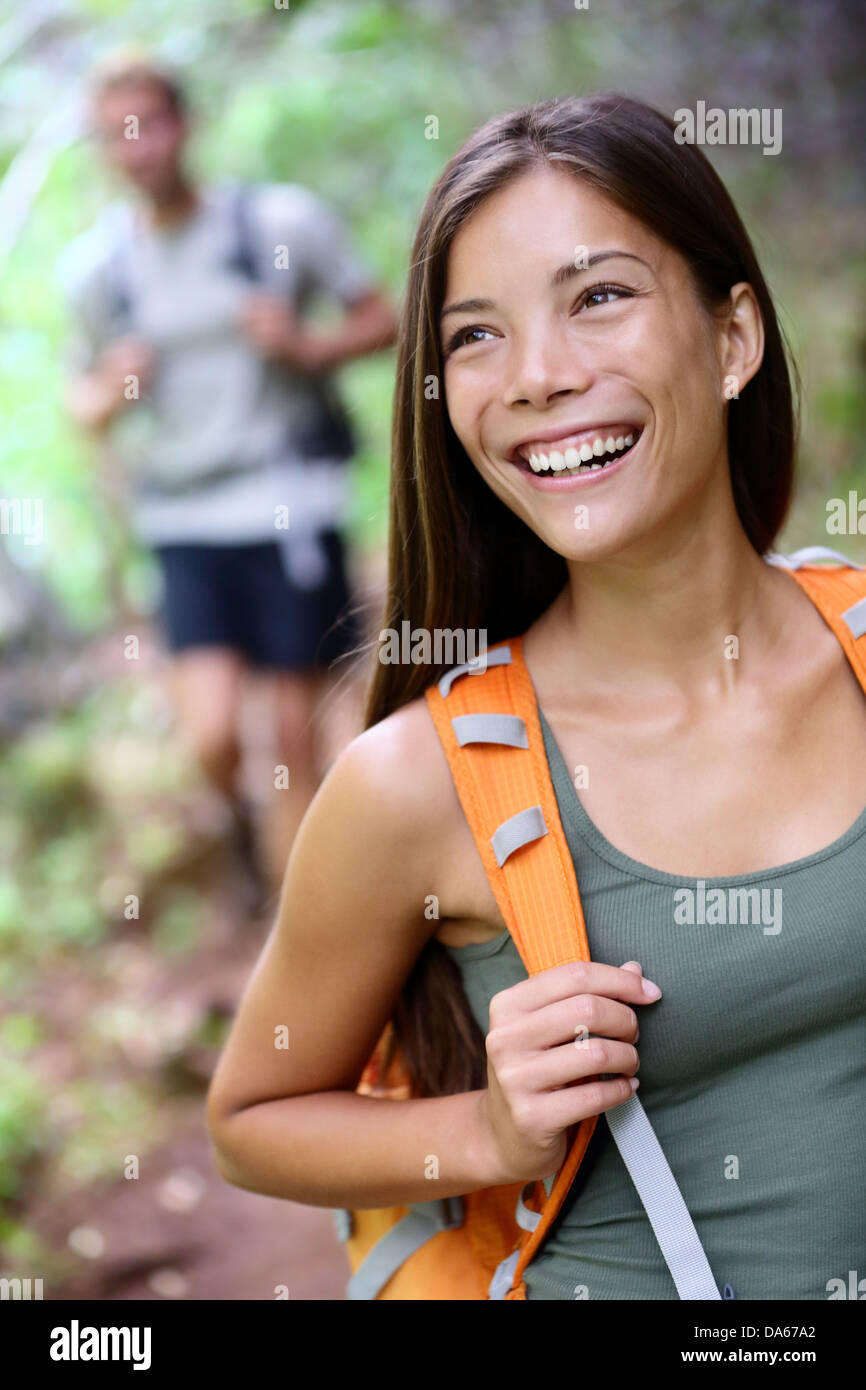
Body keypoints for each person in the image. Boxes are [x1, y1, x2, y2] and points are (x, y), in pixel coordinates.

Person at [205, 94, 866, 1299]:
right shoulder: (417, 781)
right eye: (474, 336)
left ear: (731, 338)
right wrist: (487, 1134)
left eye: (598, 297)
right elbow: (250, 1114)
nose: (539, 377)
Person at [57, 52, 397, 905]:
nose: (136, 149)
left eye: (148, 123)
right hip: (183, 519)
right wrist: (116, 387)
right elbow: (82, 401)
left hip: (287, 504)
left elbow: (384, 317)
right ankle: (242, 839)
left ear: (184, 123)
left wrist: (306, 347)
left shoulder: (278, 224)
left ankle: (308, 932)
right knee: (211, 734)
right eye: (114, 135)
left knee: (293, 740)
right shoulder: (99, 272)